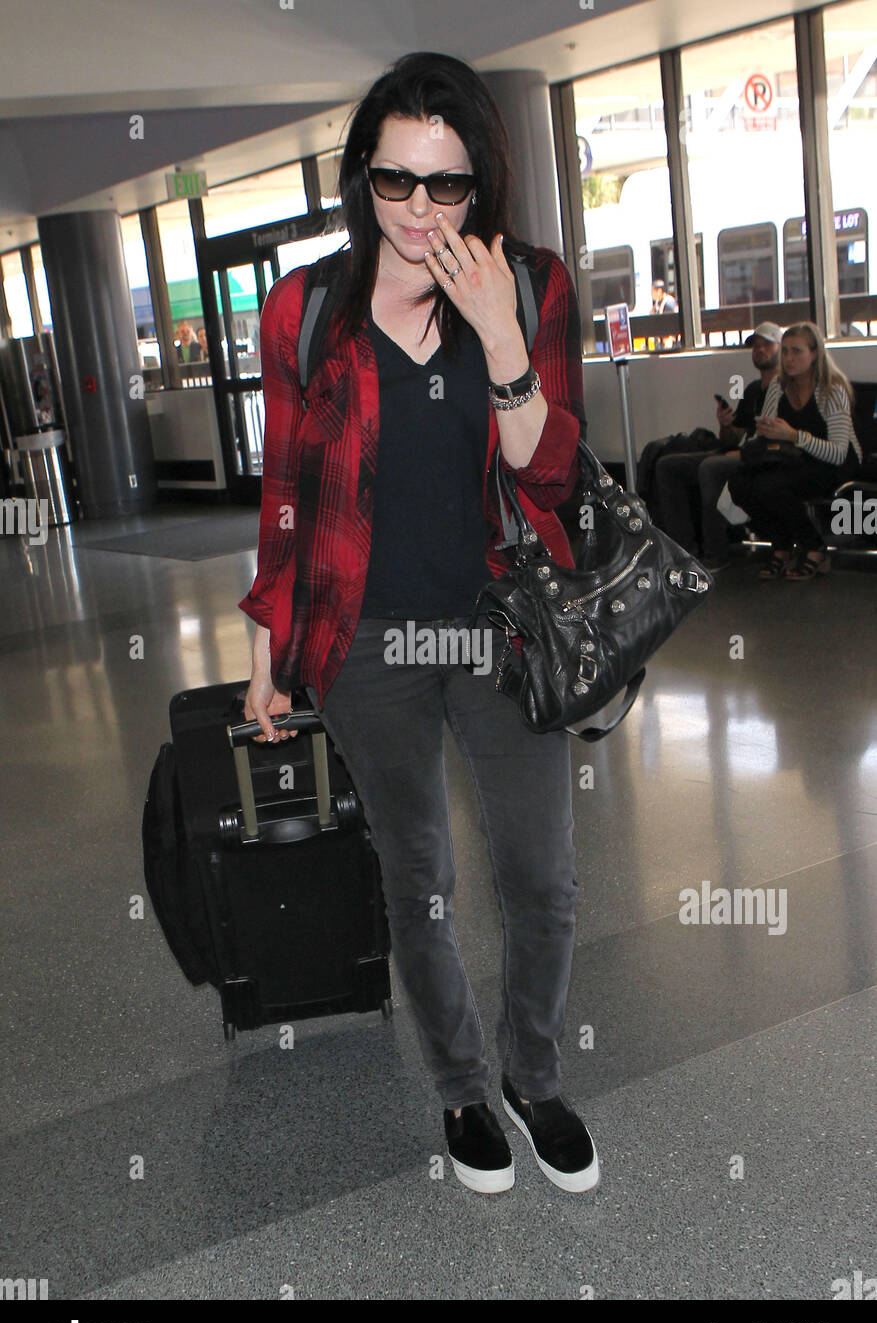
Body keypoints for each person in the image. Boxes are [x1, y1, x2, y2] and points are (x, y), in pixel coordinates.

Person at [239, 52, 599, 1196]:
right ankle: (459, 1085)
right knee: (420, 878)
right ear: (362, 179)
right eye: (395, 182)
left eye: (446, 187)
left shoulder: (532, 286)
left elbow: (549, 475)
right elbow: (286, 493)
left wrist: (500, 339)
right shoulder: (305, 310)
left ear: (481, 186)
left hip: (500, 630)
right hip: (369, 645)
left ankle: (534, 1078)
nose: (419, 212)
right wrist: (267, 655)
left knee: (539, 879)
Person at [729, 322, 862, 580]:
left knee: (771, 486)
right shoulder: (778, 387)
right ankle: (781, 546)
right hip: (794, 460)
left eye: (797, 351)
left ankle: (814, 547)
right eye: (786, 351)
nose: (789, 359)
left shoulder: (832, 390)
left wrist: (793, 435)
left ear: (814, 354)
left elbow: (838, 453)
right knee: (740, 484)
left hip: (832, 463)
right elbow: (761, 434)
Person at [653, 323, 781, 571]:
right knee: (668, 465)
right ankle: (683, 551)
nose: (760, 350)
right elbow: (730, 439)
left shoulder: (785, 390)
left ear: (781, 348)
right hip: (736, 452)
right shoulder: (753, 390)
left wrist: (741, 450)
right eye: (756, 345)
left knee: (711, 467)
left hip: (760, 455)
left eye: (767, 344)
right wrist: (724, 425)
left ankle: (716, 553)